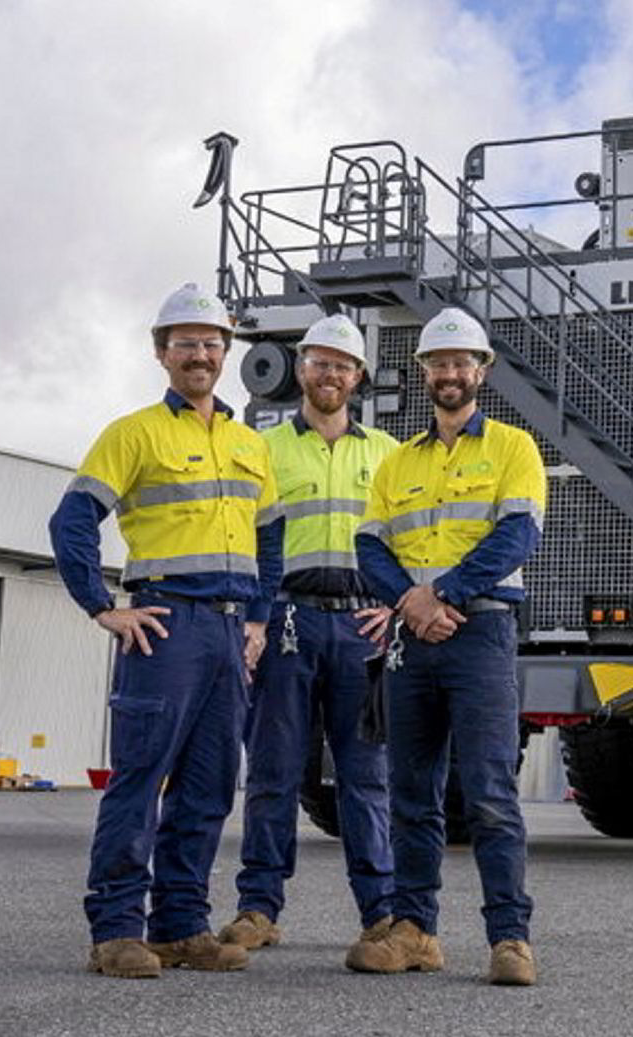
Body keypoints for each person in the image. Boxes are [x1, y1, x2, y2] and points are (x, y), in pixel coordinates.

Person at [49, 283, 280, 979]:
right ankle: (117, 928)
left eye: (212, 343)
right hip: (165, 623)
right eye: (186, 343)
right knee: (142, 776)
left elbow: (271, 541)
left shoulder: (249, 444)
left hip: (231, 631)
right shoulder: (134, 433)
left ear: (226, 352)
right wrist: (102, 606)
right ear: (162, 352)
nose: (200, 354)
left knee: (209, 786)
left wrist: (262, 620)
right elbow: (71, 522)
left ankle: (180, 925)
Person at [350, 307, 545, 986]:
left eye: (462, 362)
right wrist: (412, 602)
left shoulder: (514, 448)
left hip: (481, 630)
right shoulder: (396, 461)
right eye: (438, 363)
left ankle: (509, 937)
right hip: (412, 637)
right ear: (424, 372)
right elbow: (368, 544)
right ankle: (415, 930)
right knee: (410, 789)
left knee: (490, 791)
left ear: (481, 371)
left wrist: (444, 596)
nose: (450, 373)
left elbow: (516, 537)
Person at [216, 314, 398, 965]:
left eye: (342, 365)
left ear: (358, 377)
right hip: (287, 616)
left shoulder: (387, 453)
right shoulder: (263, 449)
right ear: (301, 369)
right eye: (319, 361)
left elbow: (409, 539)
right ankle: (258, 906)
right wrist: (251, 618)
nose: (330, 374)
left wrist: (396, 606)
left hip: (361, 625)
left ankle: (381, 913)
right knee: (273, 769)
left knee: (366, 774)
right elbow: (241, 538)